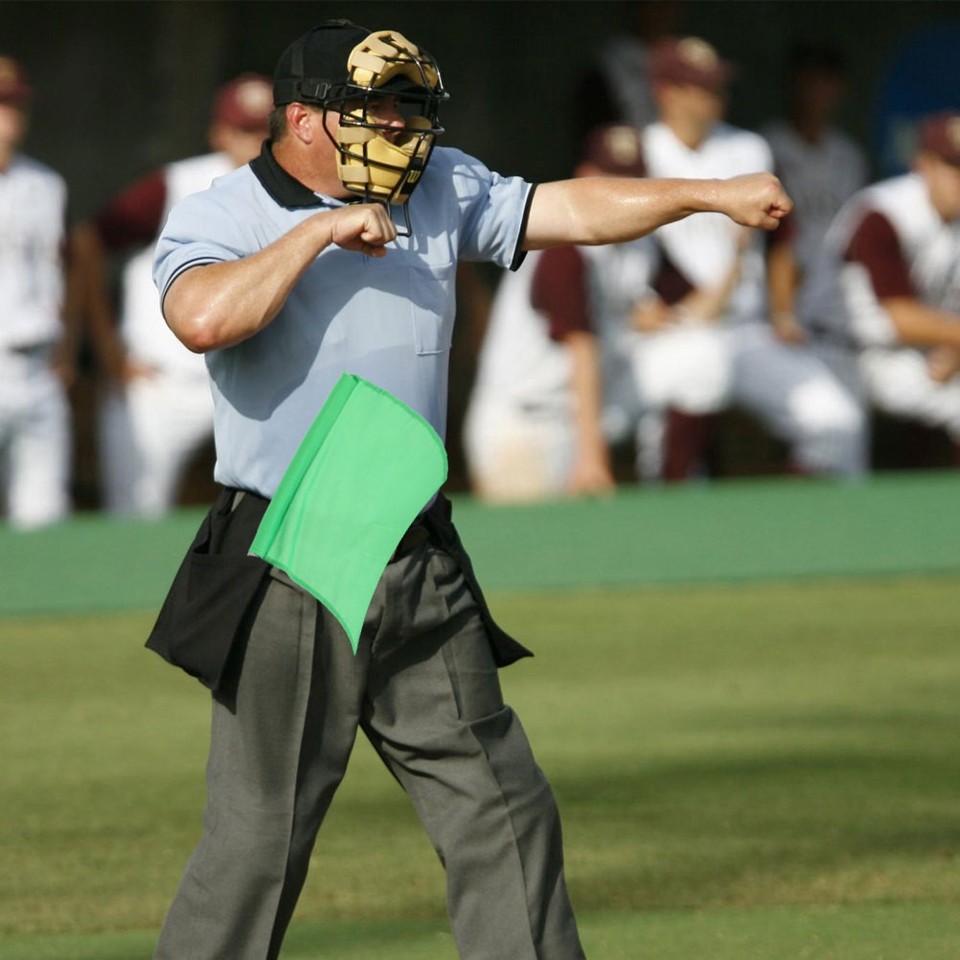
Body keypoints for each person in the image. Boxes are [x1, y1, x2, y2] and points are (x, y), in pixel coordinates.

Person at [144, 19, 791, 960]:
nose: (404, 128)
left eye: (412, 107)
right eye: (380, 107)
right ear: (303, 119)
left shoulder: (439, 186)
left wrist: (710, 195)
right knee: (259, 846)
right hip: (296, 547)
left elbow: (569, 210)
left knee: (504, 808)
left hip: (417, 549)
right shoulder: (223, 212)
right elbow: (201, 317)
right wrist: (317, 233)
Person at [640, 36, 866, 480]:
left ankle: (794, 532)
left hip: (746, 329)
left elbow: (781, 240)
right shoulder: (641, 152)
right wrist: (636, 306)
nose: (715, 95)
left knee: (837, 420)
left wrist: (782, 312)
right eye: (700, 87)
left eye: (717, 84)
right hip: (672, 334)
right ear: (665, 91)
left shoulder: (749, 149)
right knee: (689, 397)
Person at [72, 73, 273, 517]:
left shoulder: (298, 192)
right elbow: (88, 242)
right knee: (136, 516)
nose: (255, 142)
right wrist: (107, 351)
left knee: (279, 512)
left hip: (257, 383)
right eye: (244, 131)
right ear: (219, 133)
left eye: (264, 129)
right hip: (163, 383)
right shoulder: (179, 182)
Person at [463, 123, 649, 503]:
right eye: (612, 180)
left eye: (632, 183)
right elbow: (580, 348)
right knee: (527, 556)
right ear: (585, 179)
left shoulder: (628, 250)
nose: (622, 194)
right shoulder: (564, 249)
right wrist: (593, 455)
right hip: (521, 428)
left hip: (568, 421)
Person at [798, 111, 960, 453]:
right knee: (835, 449)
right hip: (833, 347)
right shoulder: (882, 213)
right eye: (953, 166)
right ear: (924, 165)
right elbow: (900, 318)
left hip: (905, 353)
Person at [0, 56, 75, 530]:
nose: (9, 118)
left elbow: (56, 272)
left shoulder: (45, 183)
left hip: (38, 363)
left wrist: (64, 347)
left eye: (13, 106)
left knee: (44, 516)